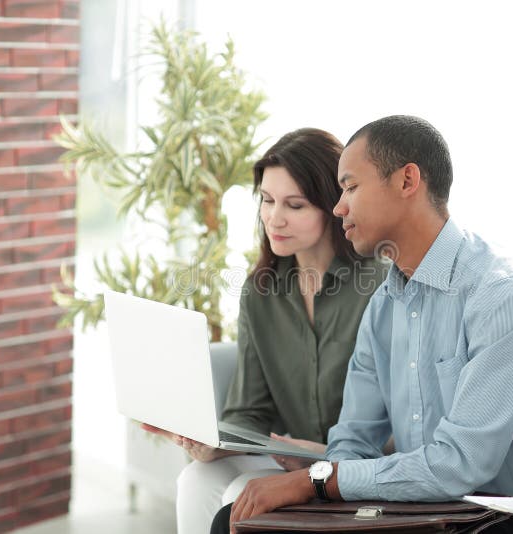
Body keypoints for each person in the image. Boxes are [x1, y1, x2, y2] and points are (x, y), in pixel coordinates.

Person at [213, 115, 513, 534]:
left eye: (351, 187)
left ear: (407, 181)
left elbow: (460, 463)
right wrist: (321, 496)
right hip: (425, 508)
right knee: (237, 520)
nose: (339, 207)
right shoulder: (385, 305)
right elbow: (353, 441)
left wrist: (316, 481)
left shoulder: (504, 293)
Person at [144, 128, 387, 534]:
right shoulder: (261, 293)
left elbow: (406, 422)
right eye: (268, 201)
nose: (274, 218)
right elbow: (250, 412)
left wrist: (326, 453)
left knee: (241, 491)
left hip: (358, 467)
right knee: (196, 478)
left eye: (295, 205)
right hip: (291, 459)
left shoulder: (378, 287)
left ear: (334, 206)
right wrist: (211, 445)